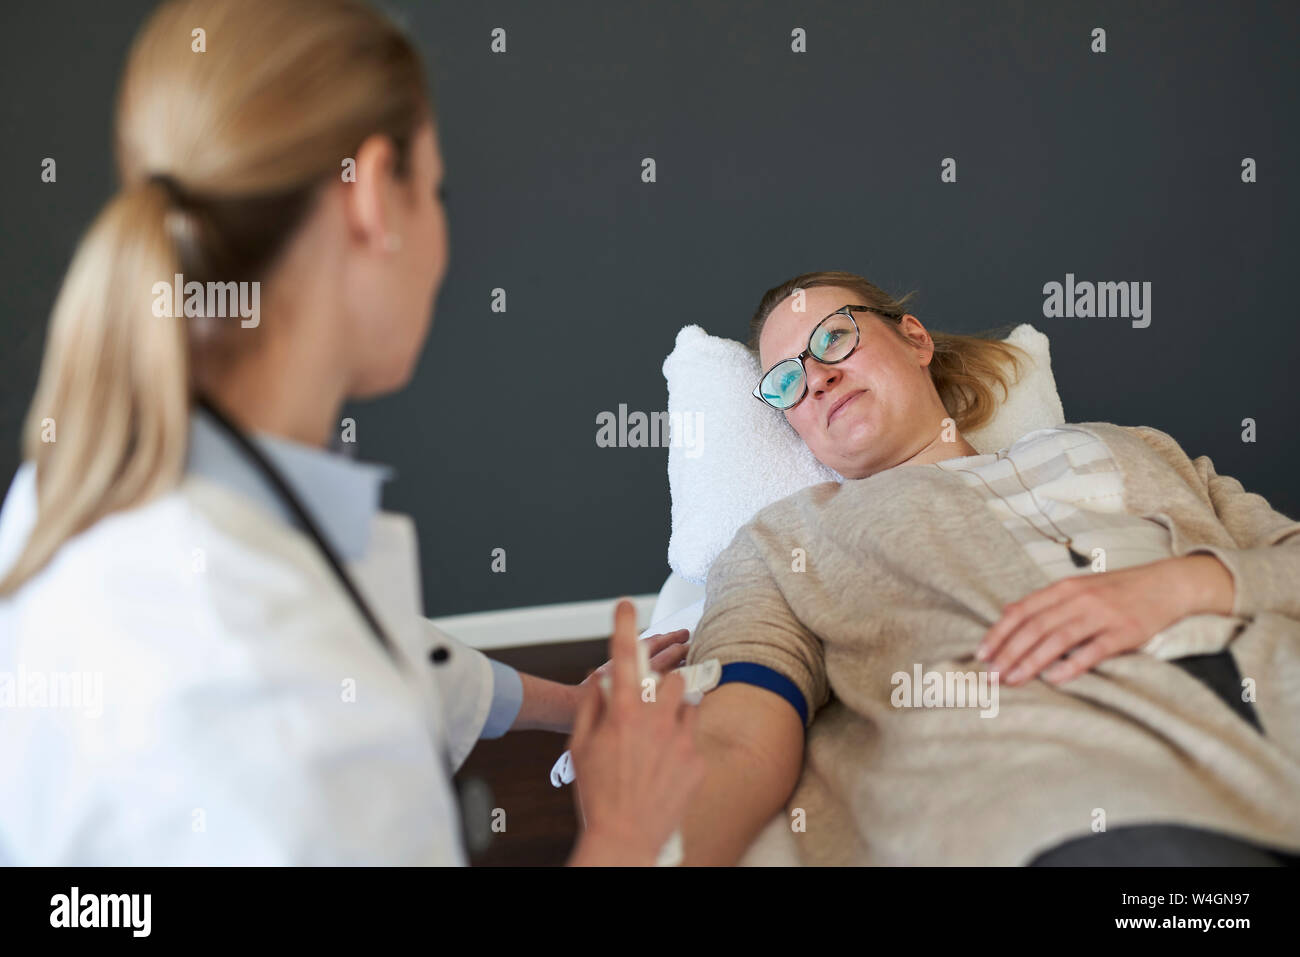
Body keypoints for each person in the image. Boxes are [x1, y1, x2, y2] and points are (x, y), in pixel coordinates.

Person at [0, 0, 704, 866]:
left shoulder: (76, 492)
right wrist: (627, 828)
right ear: (373, 193)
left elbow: (378, 637)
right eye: (434, 188)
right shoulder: (287, 714)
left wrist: (575, 703)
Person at [676, 269, 1300, 866]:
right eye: (784, 381)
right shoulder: (784, 540)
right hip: (1076, 794)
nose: (815, 378)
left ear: (914, 339)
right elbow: (740, 730)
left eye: (833, 337)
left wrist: (1190, 584)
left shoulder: (1130, 444)